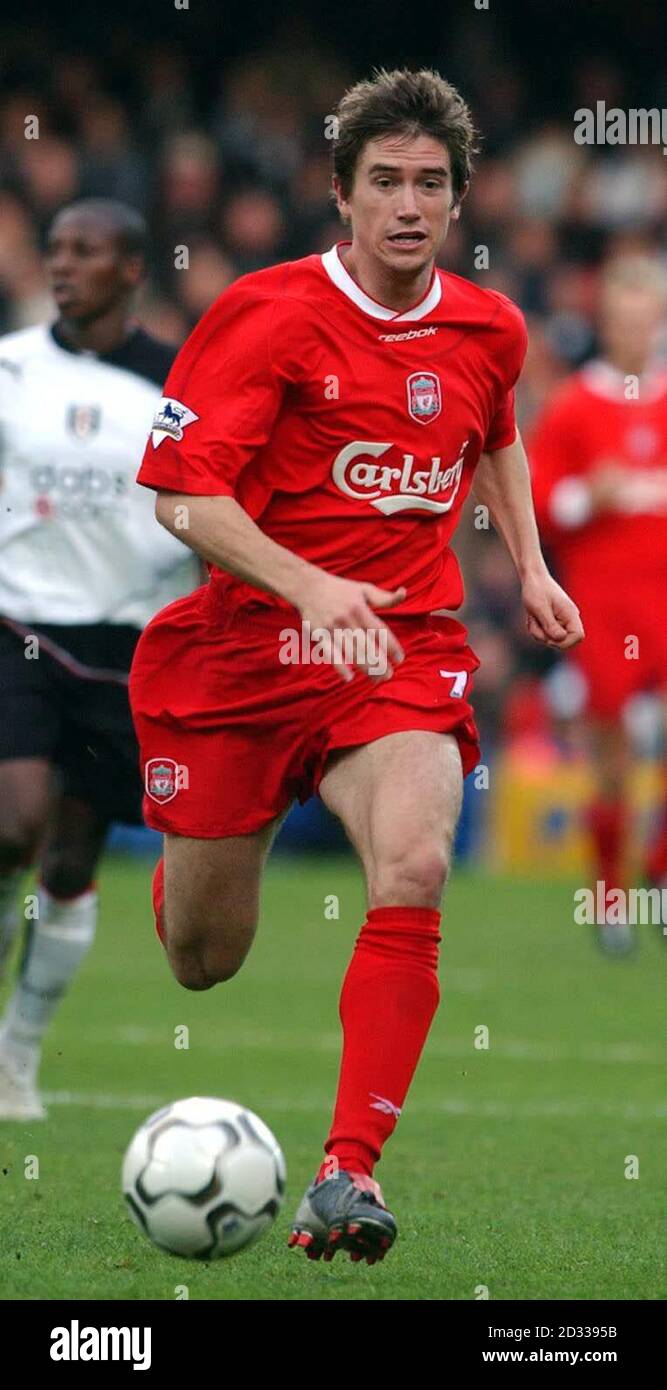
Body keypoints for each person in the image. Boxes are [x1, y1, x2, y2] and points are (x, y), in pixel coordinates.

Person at [130, 69, 582, 1264]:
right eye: (384, 181)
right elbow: (182, 496)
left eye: (430, 183)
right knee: (202, 961)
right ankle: (198, 872)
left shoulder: (490, 326)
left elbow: (496, 432)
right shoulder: (266, 314)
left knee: (419, 859)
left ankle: (346, 1172)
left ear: (456, 199)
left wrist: (529, 566)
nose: (408, 203)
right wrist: (306, 583)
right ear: (341, 194)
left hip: (398, 645)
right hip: (241, 653)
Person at [0, 198, 199, 1118]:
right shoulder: (11, 369)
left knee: (73, 859)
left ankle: (20, 1056)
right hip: (21, 627)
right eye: (55, 249)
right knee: (13, 823)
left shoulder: (179, 384)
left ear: (131, 268)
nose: (61, 264)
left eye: (84, 251)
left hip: (130, 644)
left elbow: (207, 503)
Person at [530, 254, 667, 953]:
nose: (634, 329)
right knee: (611, 753)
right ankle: (609, 897)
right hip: (605, 603)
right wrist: (592, 494)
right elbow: (543, 505)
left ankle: (660, 871)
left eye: (645, 317)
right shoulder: (575, 405)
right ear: (604, 321)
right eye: (621, 316)